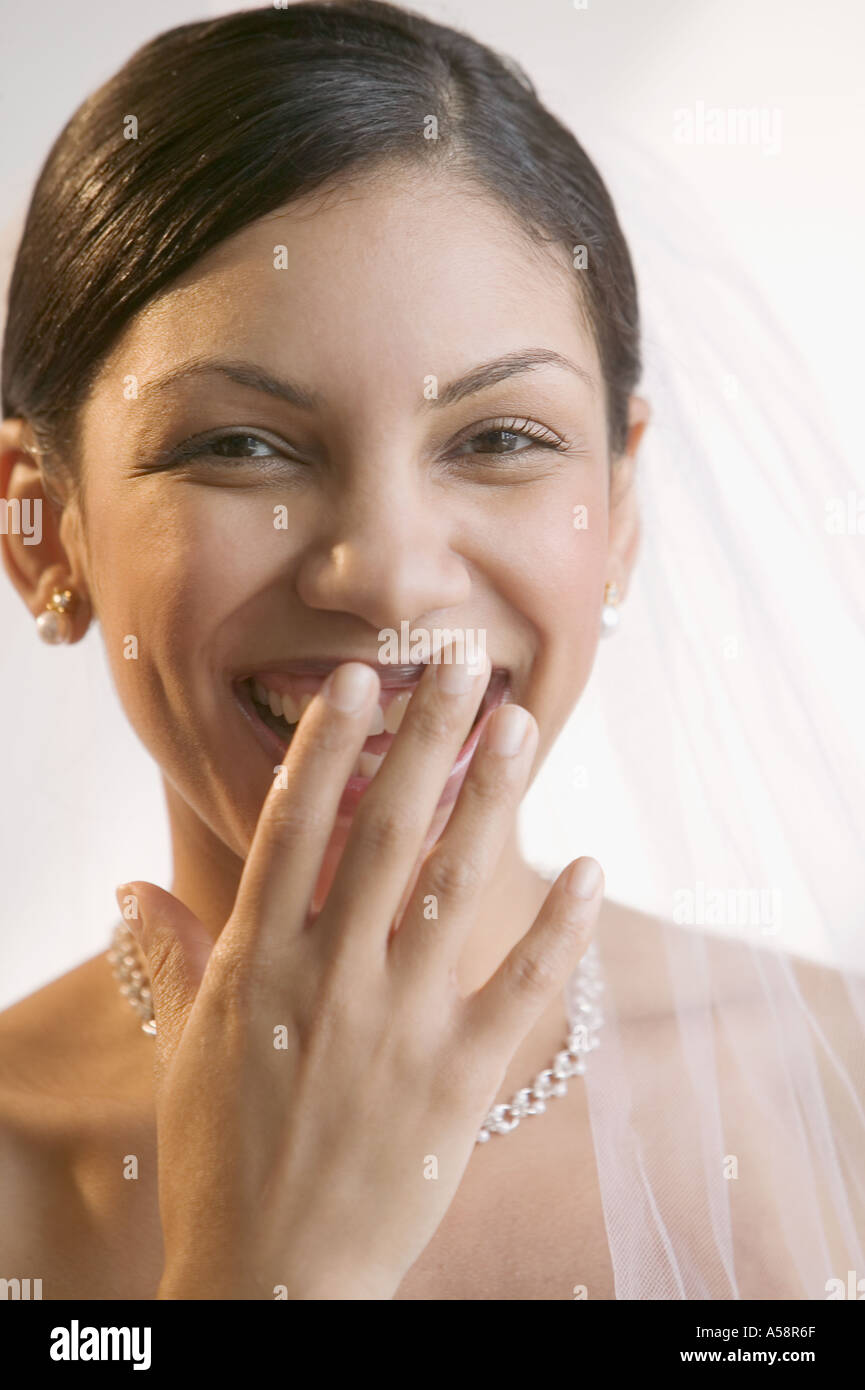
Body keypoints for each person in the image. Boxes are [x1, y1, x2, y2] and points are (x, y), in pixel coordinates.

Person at [0, 1, 861, 1301]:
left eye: (499, 437)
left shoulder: (836, 1090)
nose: (389, 574)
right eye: (242, 444)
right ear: (41, 529)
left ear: (618, 512)